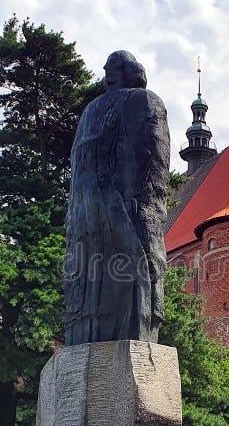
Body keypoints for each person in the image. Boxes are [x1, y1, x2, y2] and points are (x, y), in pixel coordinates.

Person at [63, 50, 169, 345]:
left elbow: (150, 161)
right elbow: (154, 164)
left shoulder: (91, 114)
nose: (108, 73)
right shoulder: (142, 101)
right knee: (132, 280)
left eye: (114, 68)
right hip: (116, 213)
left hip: (90, 218)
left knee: (96, 283)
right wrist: (152, 214)